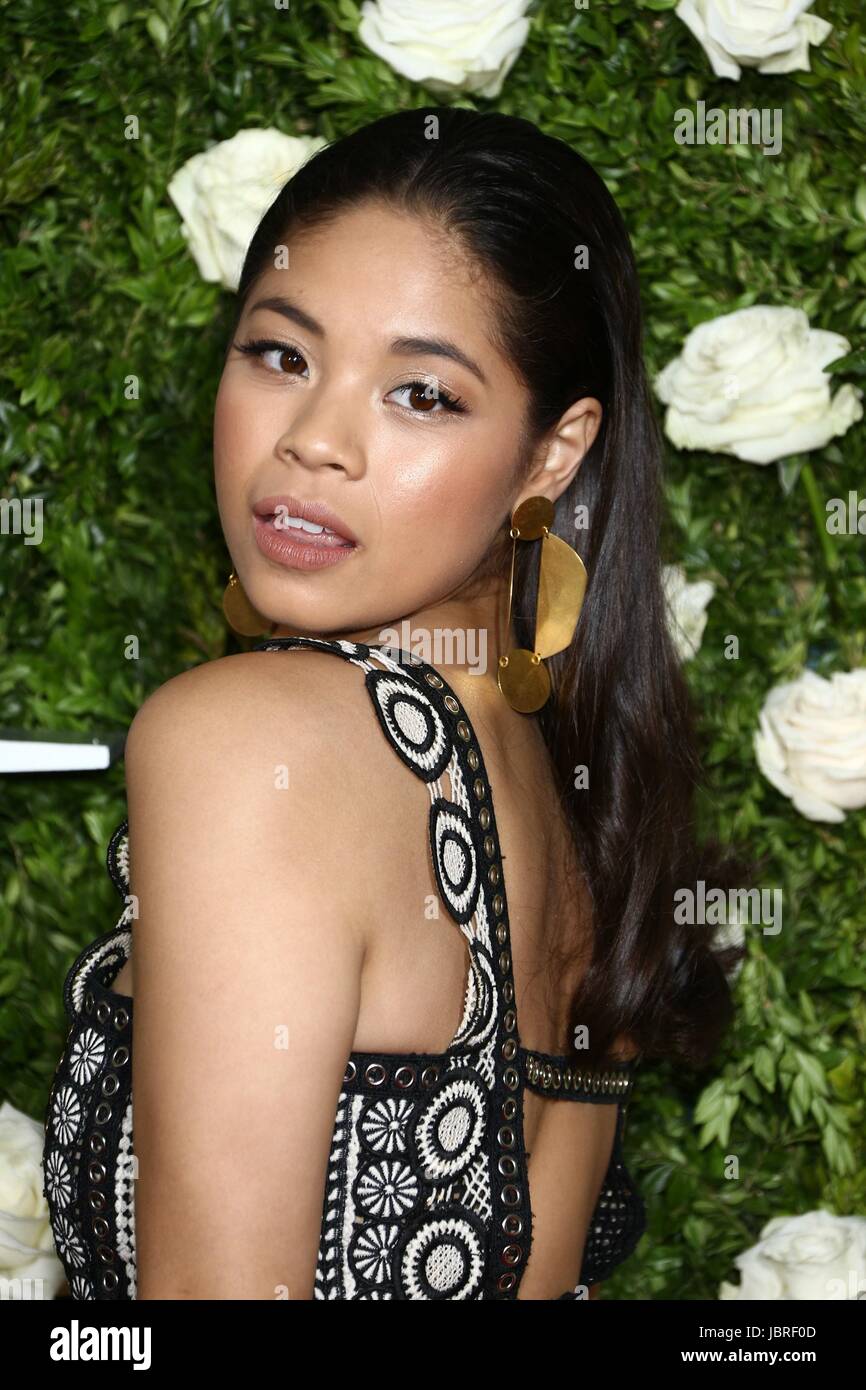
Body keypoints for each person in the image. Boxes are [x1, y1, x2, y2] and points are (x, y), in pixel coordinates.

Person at [42, 107, 749, 1301]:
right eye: (281, 354)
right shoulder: (584, 799)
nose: (314, 441)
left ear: (551, 453)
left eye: (420, 394)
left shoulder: (245, 738)